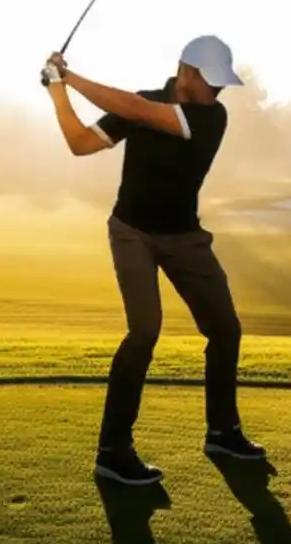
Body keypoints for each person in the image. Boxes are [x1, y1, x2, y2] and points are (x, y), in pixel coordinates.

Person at [43, 35, 267, 486]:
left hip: (185, 237)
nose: (219, 91)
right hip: (133, 233)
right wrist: (57, 93)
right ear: (186, 73)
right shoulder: (142, 104)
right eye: (213, 82)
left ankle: (223, 431)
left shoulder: (210, 116)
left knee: (225, 328)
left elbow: (139, 110)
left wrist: (68, 75)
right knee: (144, 331)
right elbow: (81, 143)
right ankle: (113, 450)